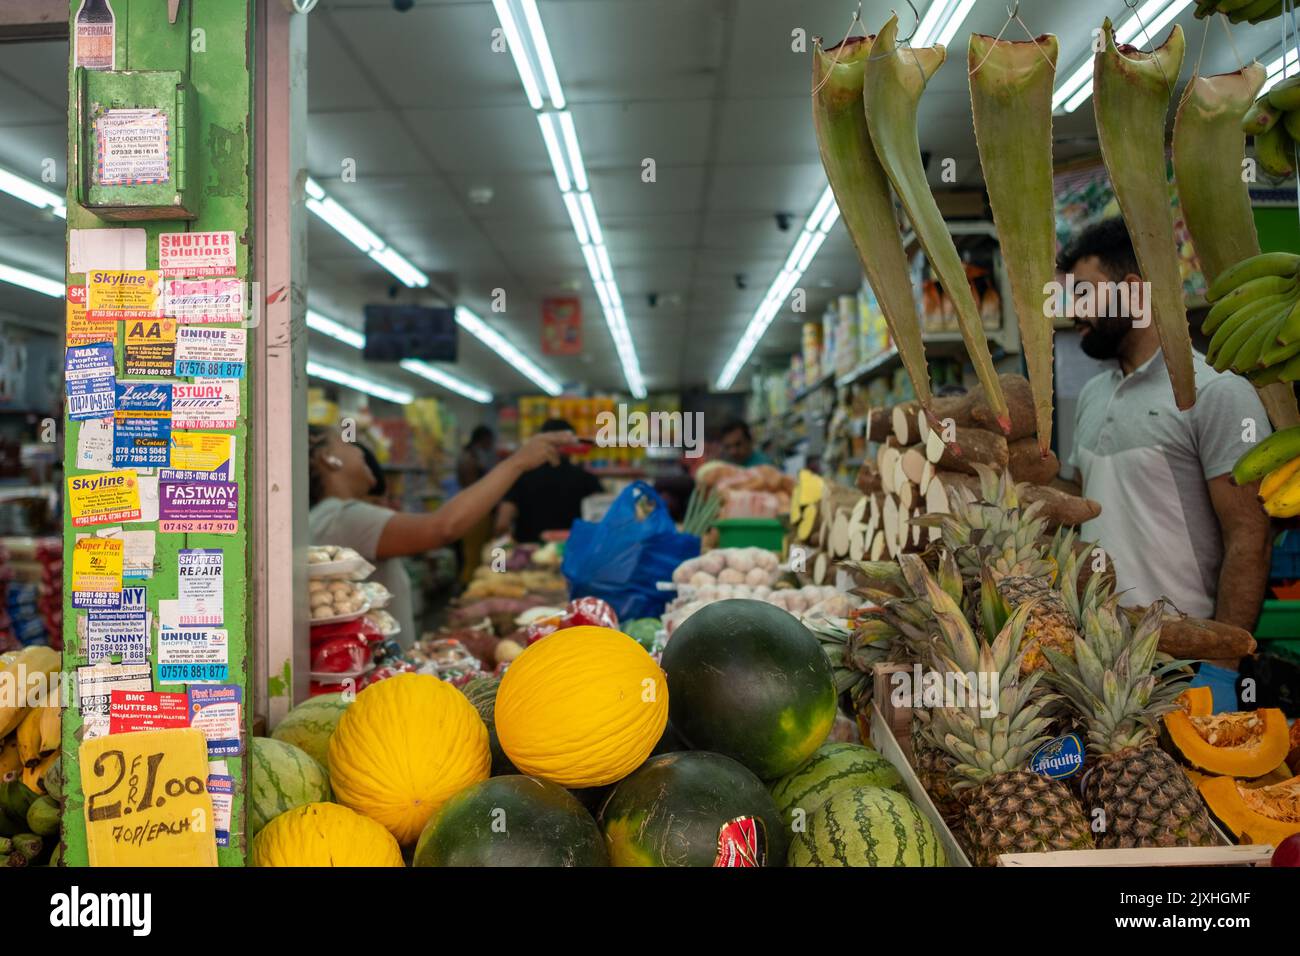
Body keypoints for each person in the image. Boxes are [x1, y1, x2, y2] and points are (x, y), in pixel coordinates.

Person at [1058, 217, 1273, 709]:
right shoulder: (1092, 394)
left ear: (1134, 291)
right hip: (1097, 657)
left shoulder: (1216, 392)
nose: (1074, 309)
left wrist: (1221, 669)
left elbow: (1250, 537)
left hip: (1181, 662)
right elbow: (1079, 504)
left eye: (1086, 293)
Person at [309, 423, 575, 646]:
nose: (360, 450)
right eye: (347, 442)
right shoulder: (343, 517)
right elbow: (443, 527)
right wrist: (518, 462)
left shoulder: (330, 516)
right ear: (329, 459)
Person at [494, 418, 603, 543]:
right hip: (572, 553)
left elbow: (502, 523)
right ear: (572, 445)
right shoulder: (587, 479)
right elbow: (601, 520)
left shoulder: (520, 476)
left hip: (529, 555)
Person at [455, 426, 496, 583]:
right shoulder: (470, 458)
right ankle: (469, 589)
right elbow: (472, 486)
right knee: (474, 556)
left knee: (477, 555)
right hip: (475, 512)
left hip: (475, 510)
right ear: (484, 439)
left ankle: (474, 585)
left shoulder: (471, 456)